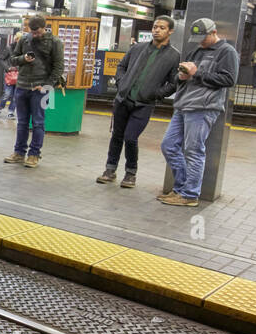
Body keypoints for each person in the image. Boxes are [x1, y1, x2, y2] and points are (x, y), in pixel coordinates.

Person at [158, 17, 239, 206]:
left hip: (203, 108)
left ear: (213, 32)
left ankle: (190, 195)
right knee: (168, 145)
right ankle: (179, 189)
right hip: (183, 105)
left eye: (204, 37)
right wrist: (183, 77)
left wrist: (196, 73)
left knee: (194, 151)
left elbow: (229, 80)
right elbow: (188, 76)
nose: (201, 41)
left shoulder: (227, 52)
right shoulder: (196, 50)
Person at [96, 16, 180, 189]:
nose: (157, 30)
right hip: (123, 99)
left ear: (170, 31)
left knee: (131, 138)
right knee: (117, 136)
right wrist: (121, 83)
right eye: (155, 27)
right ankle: (110, 170)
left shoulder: (174, 56)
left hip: (144, 104)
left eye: (162, 28)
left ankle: (130, 173)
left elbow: (174, 83)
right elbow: (121, 67)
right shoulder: (138, 48)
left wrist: (156, 94)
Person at [4, 14, 63, 168]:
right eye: (32, 32)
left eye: (37, 32)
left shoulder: (55, 42)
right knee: (22, 122)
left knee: (38, 122)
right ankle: (19, 152)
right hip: (22, 86)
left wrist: (47, 85)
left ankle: (34, 154)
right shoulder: (24, 39)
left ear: (44, 27)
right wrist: (24, 58)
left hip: (42, 89)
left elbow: (58, 67)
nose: (34, 35)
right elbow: (13, 59)